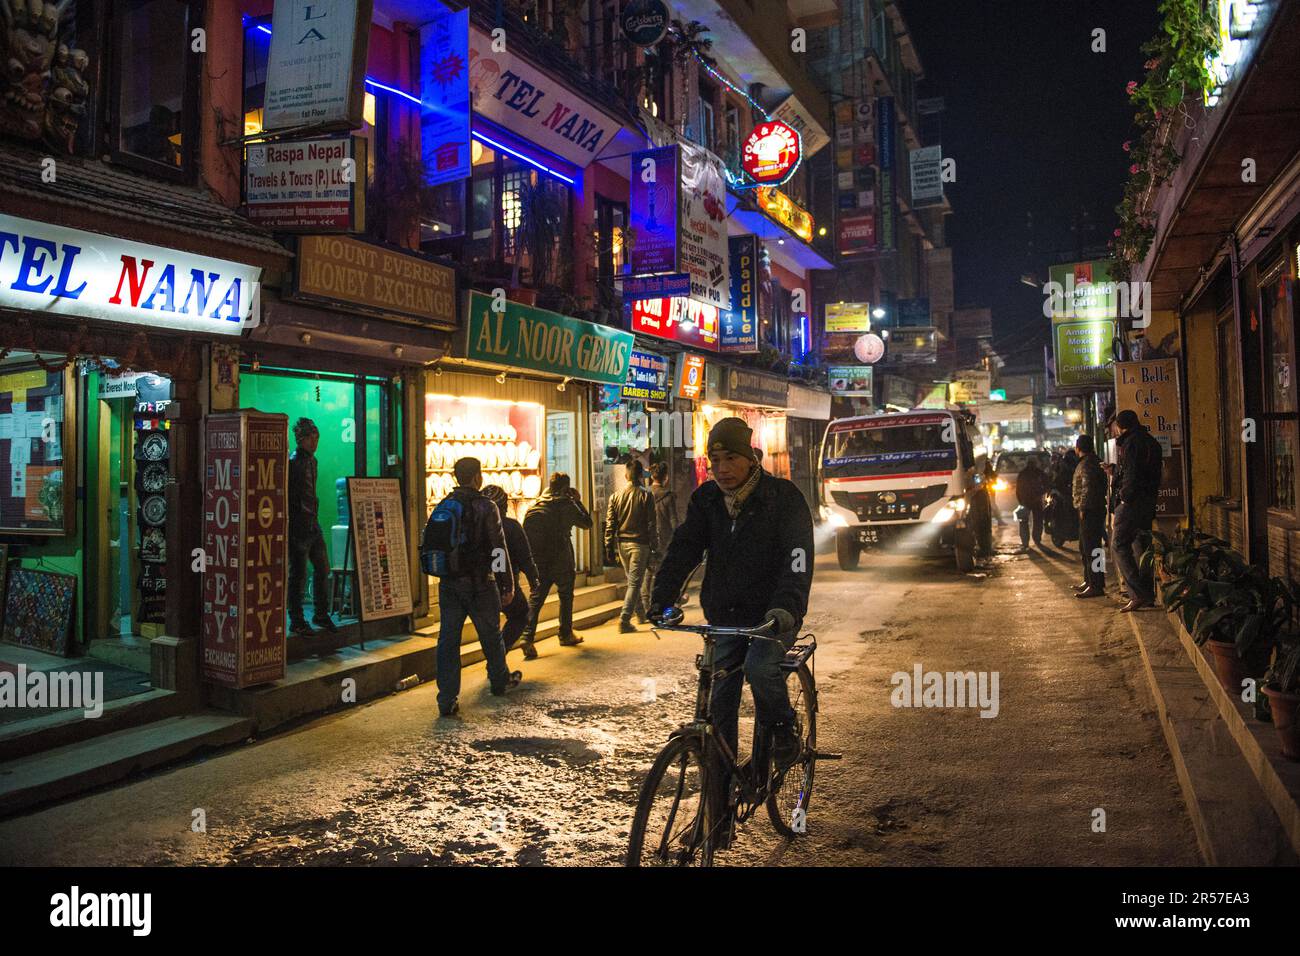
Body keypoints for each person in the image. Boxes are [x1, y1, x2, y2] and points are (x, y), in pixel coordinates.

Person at [649, 417, 814, 772]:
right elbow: (683, 551)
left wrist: (786, 607)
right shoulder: (706, 500)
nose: (721, 469)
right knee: (719, 705)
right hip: (725, 617)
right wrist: (661, 598)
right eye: (715, 461)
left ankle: (783, 730)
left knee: (760, 667)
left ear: (751, 459)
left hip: (771, 618)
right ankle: (719, 800)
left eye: (730, 459)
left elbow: (798, 560)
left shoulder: (783, 498)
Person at [424, 457, 522, 717]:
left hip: (449, 583)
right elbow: (498, 548)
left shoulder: (445, 504)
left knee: (448, 640)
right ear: (477, 476)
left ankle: (446, 699)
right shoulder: (486, 506)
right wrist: (507, 584)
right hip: (480, 583)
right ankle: (499, 681)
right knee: (491, 636)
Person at [520, 473, 592, 659]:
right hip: (561, 559)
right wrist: (577, 501)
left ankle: (527, 637)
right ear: (565, 488)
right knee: (566, 596)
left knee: (536, 598)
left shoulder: (535, 505)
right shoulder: (567, 506)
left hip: (540, 561)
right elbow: (587, 523)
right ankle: (565, 634)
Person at [287, 418, 336, 636]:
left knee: (322, 569)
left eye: (317, 438)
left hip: (312, 524)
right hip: (299, 526)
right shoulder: (294, 462)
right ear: (301, 439)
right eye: (311, 438)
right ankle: (297, 620)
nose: (315, 443)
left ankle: (320, 614)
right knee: (298, 575)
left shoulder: (311, 461)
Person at [1112, 409, 1163, 612]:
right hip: (1148, 502)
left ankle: (1138, 594)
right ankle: (1147, 595)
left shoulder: (1131, 443)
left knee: (1119, 544)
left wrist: (1124, 497)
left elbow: (1132, 474)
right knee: (1141, 546)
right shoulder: (1151, 441)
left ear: (1120, 426)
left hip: (1132, 503)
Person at [481, 485, 539, 656]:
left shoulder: (474, 526)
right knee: (520, 614)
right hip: (504, 583)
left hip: (477, 584)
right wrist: (533, 579)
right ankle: (498, 659)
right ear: (504, 505)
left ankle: (496, 661)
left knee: (488, 626)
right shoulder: (510, 527)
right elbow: (524, 557)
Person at [605, 459, 655, 633]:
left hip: (622, 544)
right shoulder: (646, 495)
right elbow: (651, 524)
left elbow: (610, 524)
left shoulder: (615, 496)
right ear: (641, 475)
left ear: (626, 476)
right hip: (640, 544)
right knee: (634, 583)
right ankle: (624, 620)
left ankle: (640, 614)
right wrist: (654, 547)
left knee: (633, 581)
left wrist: (608, 547)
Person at [1072, 434, 1108, 598]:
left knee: (1092, 548)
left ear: (1078, 448)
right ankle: (1090, 581)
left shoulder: (1086, 464)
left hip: (1090, 510)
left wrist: (1083, 507)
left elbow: (1088, 487)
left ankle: (1096, 585)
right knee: (1088, 547)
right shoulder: (1093, 461)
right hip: (1095, 508)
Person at [647, 462, 679, 597]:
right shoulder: (668, 496)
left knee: (648, 573)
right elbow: (673, 520)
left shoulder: (645, 493)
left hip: (648, 537)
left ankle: (647, 600)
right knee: (665, 570)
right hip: (665, 538)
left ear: (652, 477)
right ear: (666, 477)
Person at [1015, 456, 1046, 548]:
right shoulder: (1039, 473)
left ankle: (1026, 542)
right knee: (1037, 521)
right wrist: (1040, 493)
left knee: (1025, 522)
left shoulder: (1023, 473)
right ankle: (1036, 539)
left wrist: (1020, 500)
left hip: (1027, 500)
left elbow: (1018, 489)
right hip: (1034, 500)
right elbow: (1047, 484)